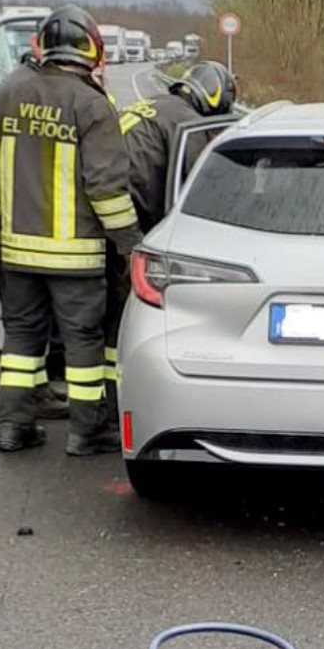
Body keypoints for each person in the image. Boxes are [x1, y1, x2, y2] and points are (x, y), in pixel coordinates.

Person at [0, 5, 142, 455]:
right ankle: (87, 432)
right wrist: (131, 245)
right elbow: (107, 191)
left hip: (16, 252)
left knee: (20, 339)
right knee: (83, 342)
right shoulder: (92, 105)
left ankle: (14, 427)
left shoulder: (7, 94)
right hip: (75, 257)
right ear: (91, 50)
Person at [103, 62, 238, 403]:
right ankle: (116, 397)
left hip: (99, 214)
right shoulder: (188, 125)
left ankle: (101, 394)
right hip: (127, 222)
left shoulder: (152, 105)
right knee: (124, 314)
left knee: (101, 312)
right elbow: (196, 190)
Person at [0, 28, 70, 421]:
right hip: (40, 231)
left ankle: (22, 405)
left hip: (10, 231)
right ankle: (27, 401)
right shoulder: (46, 92)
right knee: (31, 324)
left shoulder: (10, 90)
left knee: (23, 324)